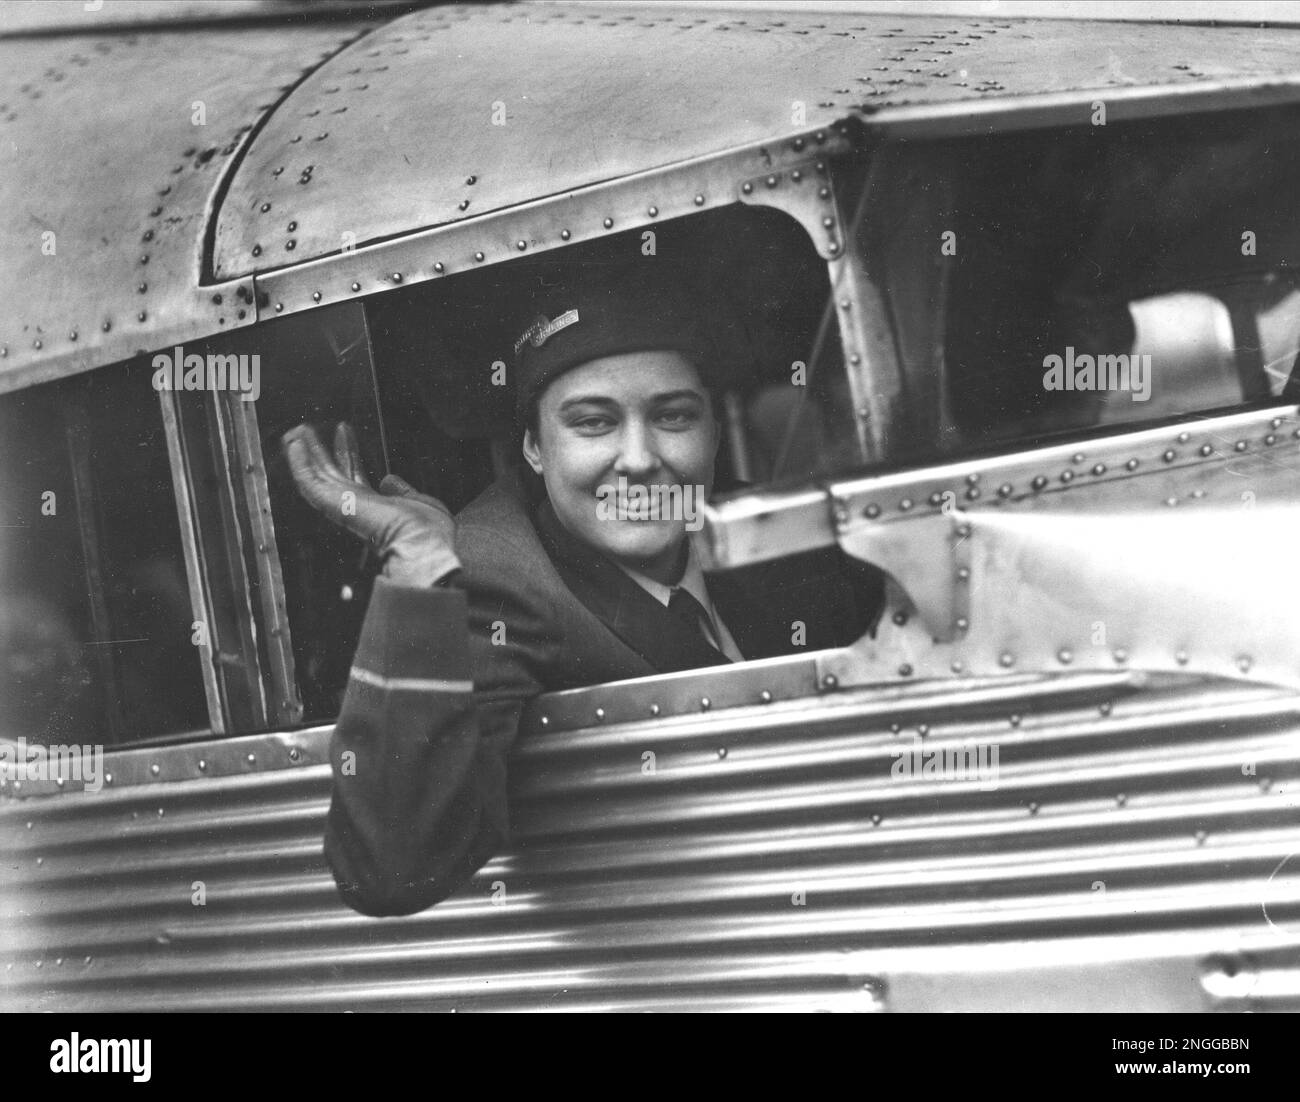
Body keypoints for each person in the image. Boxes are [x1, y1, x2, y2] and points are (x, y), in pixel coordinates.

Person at [283, 266, 882, 916]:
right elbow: (391, 869)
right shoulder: (493, 579)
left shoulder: (779, 550)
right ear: (534, 450)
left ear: (714, 431)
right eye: (593, 423)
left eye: (674, 416)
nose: (638, 457)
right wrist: (420, 567)